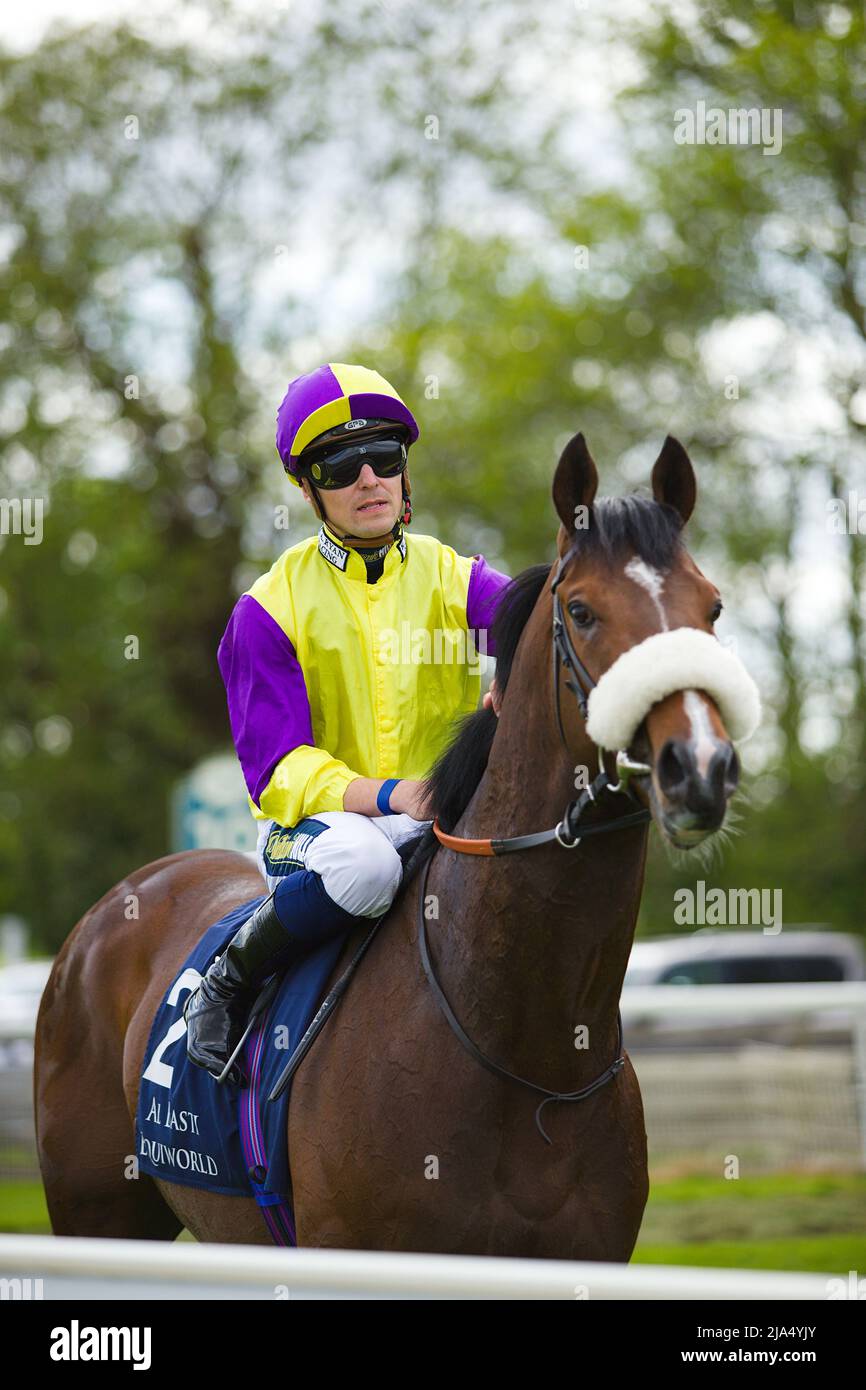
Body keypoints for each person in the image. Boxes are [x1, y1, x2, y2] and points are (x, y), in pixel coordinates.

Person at [184, 362, 511, 1084]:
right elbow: (278, 771)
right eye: (339, 466)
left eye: (384, 458)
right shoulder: (266, 610)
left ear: (404, 474)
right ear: (307, 490)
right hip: (324, 833)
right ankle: (230, 978)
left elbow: (535, 627)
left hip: (440, 812)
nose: (368, 479)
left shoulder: (455, 576)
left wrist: (513, 683)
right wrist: (392, 796)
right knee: (369, 867)